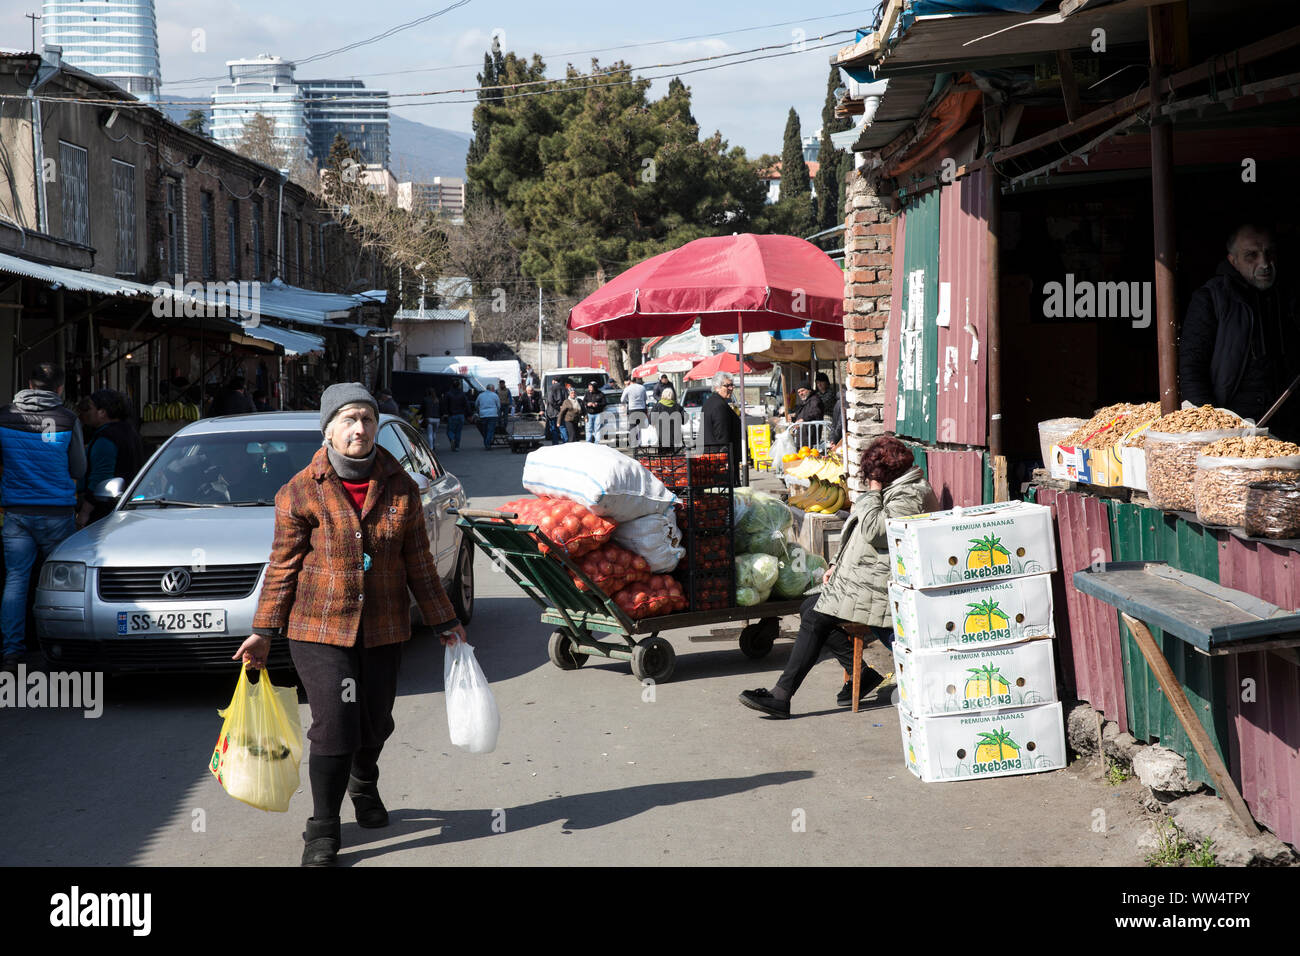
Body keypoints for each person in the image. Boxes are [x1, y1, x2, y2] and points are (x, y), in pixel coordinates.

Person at [235, 384, 467, 866]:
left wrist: (445, 620)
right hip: (319, 631)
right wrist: (263, 630)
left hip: (383, 625)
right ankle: (323, 827)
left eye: (367, 419)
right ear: (328, 430)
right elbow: (282, 566)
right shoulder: (299, 491)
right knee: (336, 723)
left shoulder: (401, 485)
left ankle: (365, 781)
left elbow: (419, 562)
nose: (360, 429)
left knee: (376, 720)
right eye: (349, 420)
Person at [740, 435, 939, 718]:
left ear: (884, 472)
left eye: (872, 475)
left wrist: (872, 493)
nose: (870, 480)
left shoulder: (910, 494)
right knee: (809, 607)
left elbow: (877, 532)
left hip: (882, 587)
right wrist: (835, 565)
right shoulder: (898, 488)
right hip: (864, 580)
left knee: (814, 614)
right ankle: (860, 675)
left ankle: (781, 695)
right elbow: (859, 534)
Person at [0, 363, 87, 671]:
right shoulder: (68, 419)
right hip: (57, 513)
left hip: (16, 513)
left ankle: (12, 652)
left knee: (16, 580)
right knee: (60, 582)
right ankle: (61, 647)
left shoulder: (4, 416)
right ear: (60, 388)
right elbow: (79, 469)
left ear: (29, 384)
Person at [1179, 223, 1300, 442]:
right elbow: (1191, 369)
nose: (1264, 263)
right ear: (1232, 261)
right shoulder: (1210, 299)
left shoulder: (1287, 295)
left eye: (1269, 253)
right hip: (1234, 427)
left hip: (1287, 422)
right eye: (1251, 255)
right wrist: (1212, 429)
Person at [80, 388, 144, 525]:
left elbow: (100, 478)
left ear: (102, 412)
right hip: (125, 506)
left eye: (89, 408)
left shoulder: (106, 438)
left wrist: (84, 512)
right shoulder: (129, 431)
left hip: (104, 512)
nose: (84, 414)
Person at [700, 371, 743, 483]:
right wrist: (725, 460)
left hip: (712, 456)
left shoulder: (709, 403)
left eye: (732, 385)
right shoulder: (719, 406)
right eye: (727, 385)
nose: (731, 388)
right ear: (717, 387)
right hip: (720, 460)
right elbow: (721, 434)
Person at [475, 383, 501, 449]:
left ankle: (486, 443)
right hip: (492, 415)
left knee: (485, 430)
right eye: (494, 388)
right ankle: (487, 443)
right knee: (490, 430)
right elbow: (498, 406)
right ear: (492, 389)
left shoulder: (480, 395)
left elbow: (476, 404)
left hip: (483, 415)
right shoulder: (495, 395)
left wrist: (479, 411)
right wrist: (497, 412)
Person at [442, 386, 468, 451]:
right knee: (458, 431)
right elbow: (466, 404)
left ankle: (452, 438)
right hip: (461, 415)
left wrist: (445, 413)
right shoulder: (462, 394)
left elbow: (445, 404)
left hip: (452, 415)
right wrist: (468, 413)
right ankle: (457, 447)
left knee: (449, 430)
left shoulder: (448, 394)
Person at [545, 377, 566, 444]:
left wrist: (556, 406)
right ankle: (565, 443)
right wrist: (561, 407)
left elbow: (550, 400)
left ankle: (555, 444)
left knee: (554, 429)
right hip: (561, 411)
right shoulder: (564, 388)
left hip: (552, 411)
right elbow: (566, 399)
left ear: (554, 381)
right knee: (562, 427)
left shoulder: (551, 388)